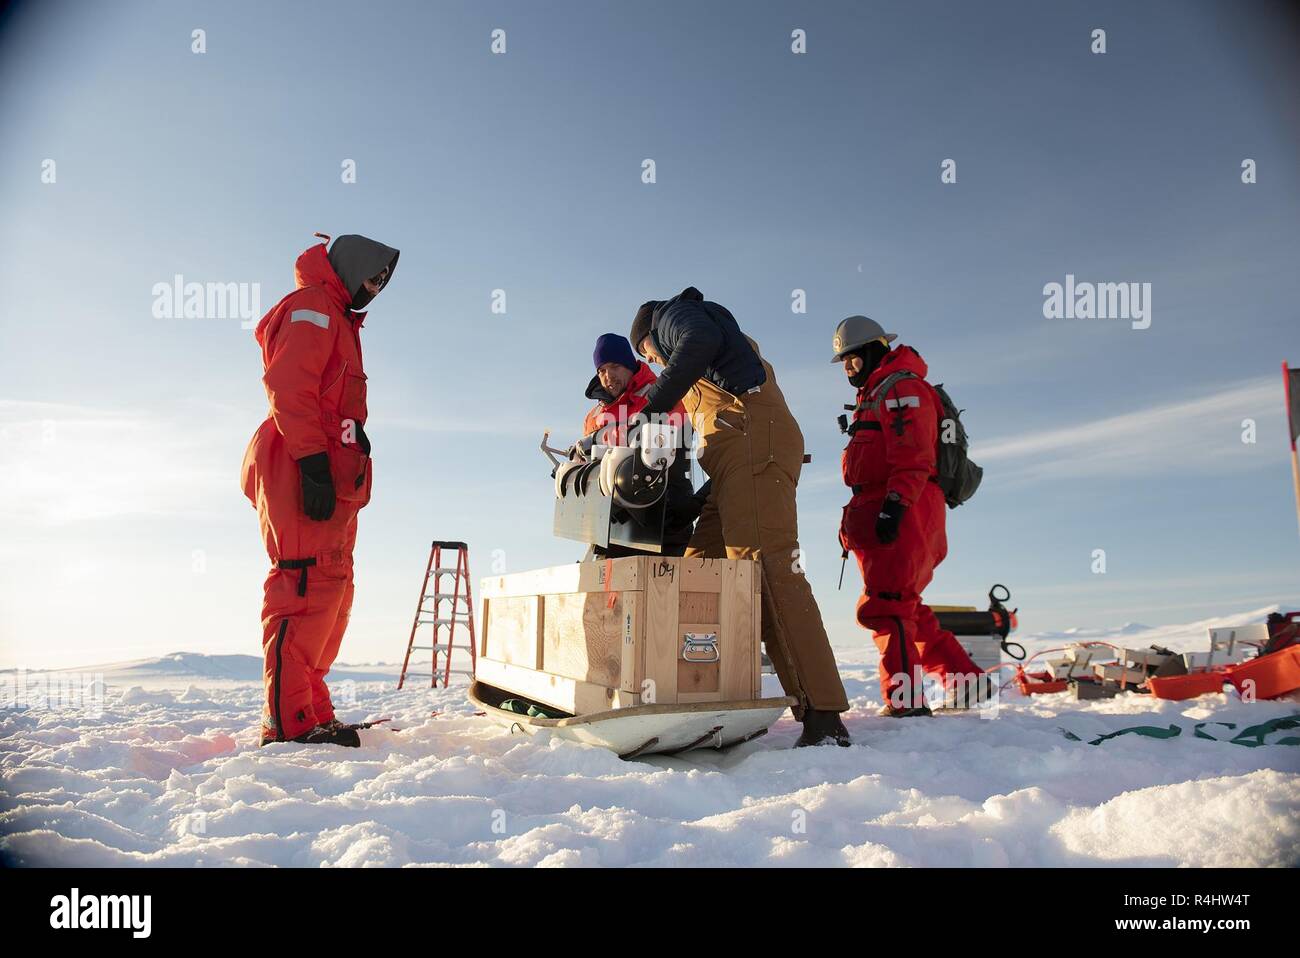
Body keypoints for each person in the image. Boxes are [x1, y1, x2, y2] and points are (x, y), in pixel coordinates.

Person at [631, 287, 850, 747]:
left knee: (767, 571)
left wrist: (650, 407)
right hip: (739, 457)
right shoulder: (697, 344)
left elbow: (699, 341)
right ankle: (696, 695)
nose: (651, 363)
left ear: (647, 334)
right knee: (696, 572)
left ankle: (822, 712)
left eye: (645, 353)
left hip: (755, 442)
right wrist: (704, 496)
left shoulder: (675, 317)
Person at [241, 233, 400, 747]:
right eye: (373, 277)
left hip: (333, 473)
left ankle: (310, 712)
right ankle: (287, 724)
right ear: (352, 267)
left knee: (333, 588)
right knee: (305, 586)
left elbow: (331, 397)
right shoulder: (314, 307)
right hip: (301, 466)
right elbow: (290, 385)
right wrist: (311, 460)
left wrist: (353, 437)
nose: (375, 289)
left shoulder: (339, 318)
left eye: (382, 283)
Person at [832, 315, 984, 717]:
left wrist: (894, 508)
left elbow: (913, 456)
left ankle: (905, 704)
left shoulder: (900, 388)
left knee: (887, 607)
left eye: (851, 358)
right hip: (899, 510)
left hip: (906, 512)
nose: (847, 368)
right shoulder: (882, 389)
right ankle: (966, 683)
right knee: (906, 606)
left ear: (871, 350)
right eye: (843, 362)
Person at [580, 333, 699, 556]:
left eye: (614, 366)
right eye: (601, 370)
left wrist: (601, 437)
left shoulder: (662, 393)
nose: (608, 376)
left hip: (665, 514)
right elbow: (587, 462)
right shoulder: (594, 415)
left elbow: (668, 432)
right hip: (611, 524)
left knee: (667, 585)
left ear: (629, 364)